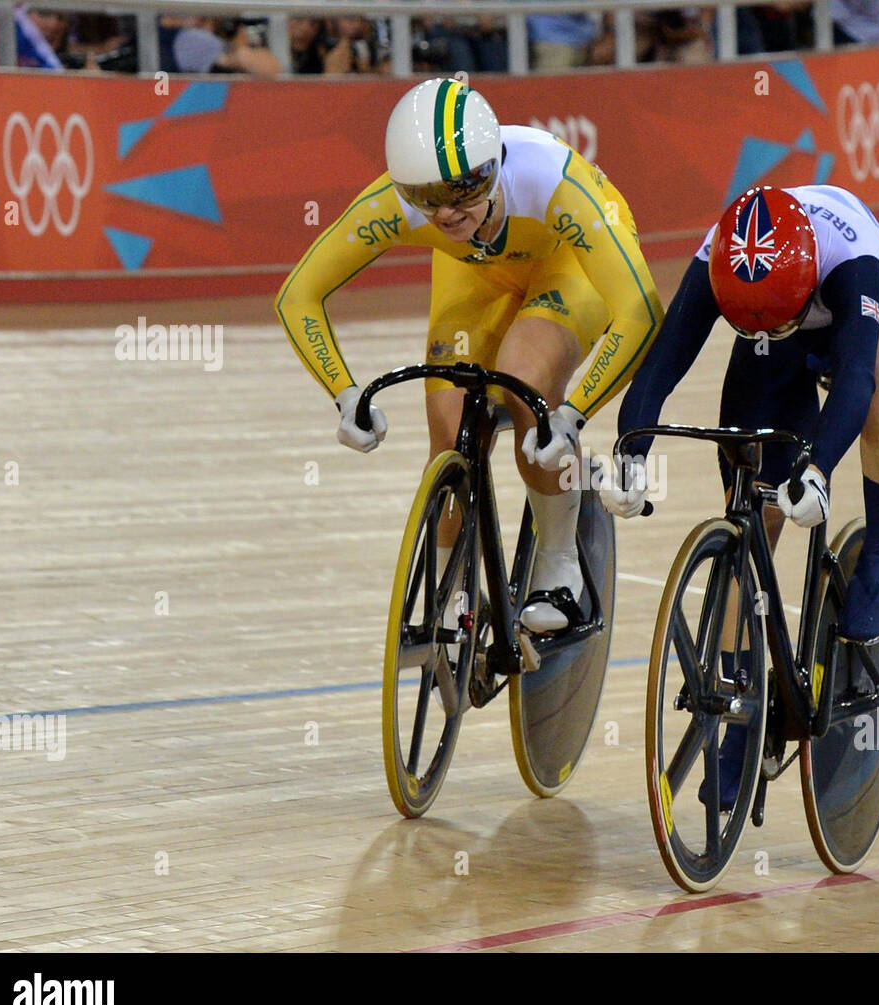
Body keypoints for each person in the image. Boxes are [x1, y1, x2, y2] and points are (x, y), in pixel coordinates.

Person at [275, 78, 662, 635]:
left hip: (567, 265)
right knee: (450, 424)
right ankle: (452, 593)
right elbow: (298, 295)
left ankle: (559, 565)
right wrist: (345, 393)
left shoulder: (552, 183)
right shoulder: (401, 202)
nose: (447, 213)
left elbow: (641, 310)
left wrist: (572, 412)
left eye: (465, 189)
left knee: (523, 377)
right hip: (475, 273)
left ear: (495, 163)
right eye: (426, 198)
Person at [602, 184, 879, 806]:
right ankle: (741, 711)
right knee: (755, 509)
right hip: (768, 335)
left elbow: (854, 377)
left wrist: (819, 469)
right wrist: (631, 450)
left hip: (874, 313)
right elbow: (663, 361)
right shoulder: (719, 257)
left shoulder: (848, 254)